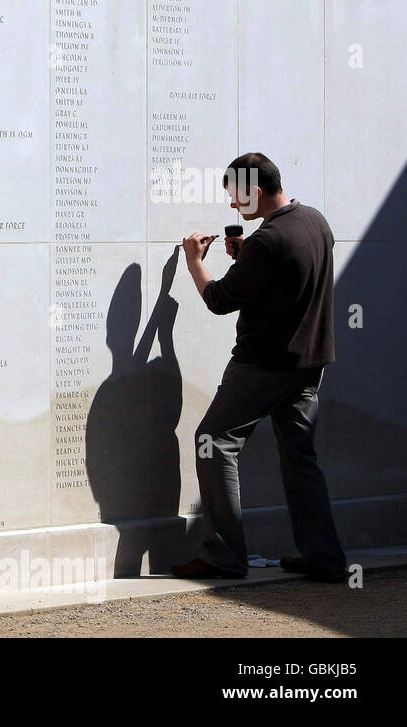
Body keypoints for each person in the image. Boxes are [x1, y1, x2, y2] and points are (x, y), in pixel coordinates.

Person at [171, 152, 348, 583]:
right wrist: (246, 259)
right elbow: (287, 281)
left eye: (236, 196)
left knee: (214, 440)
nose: (234, 206)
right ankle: (325, 559)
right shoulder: (314, 223)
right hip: (309, 364)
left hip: (263, 364)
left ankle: (225, 557)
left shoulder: (268, 242)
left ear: (254, 190)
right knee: (300, 459)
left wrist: (195, 262)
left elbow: (219, 300)